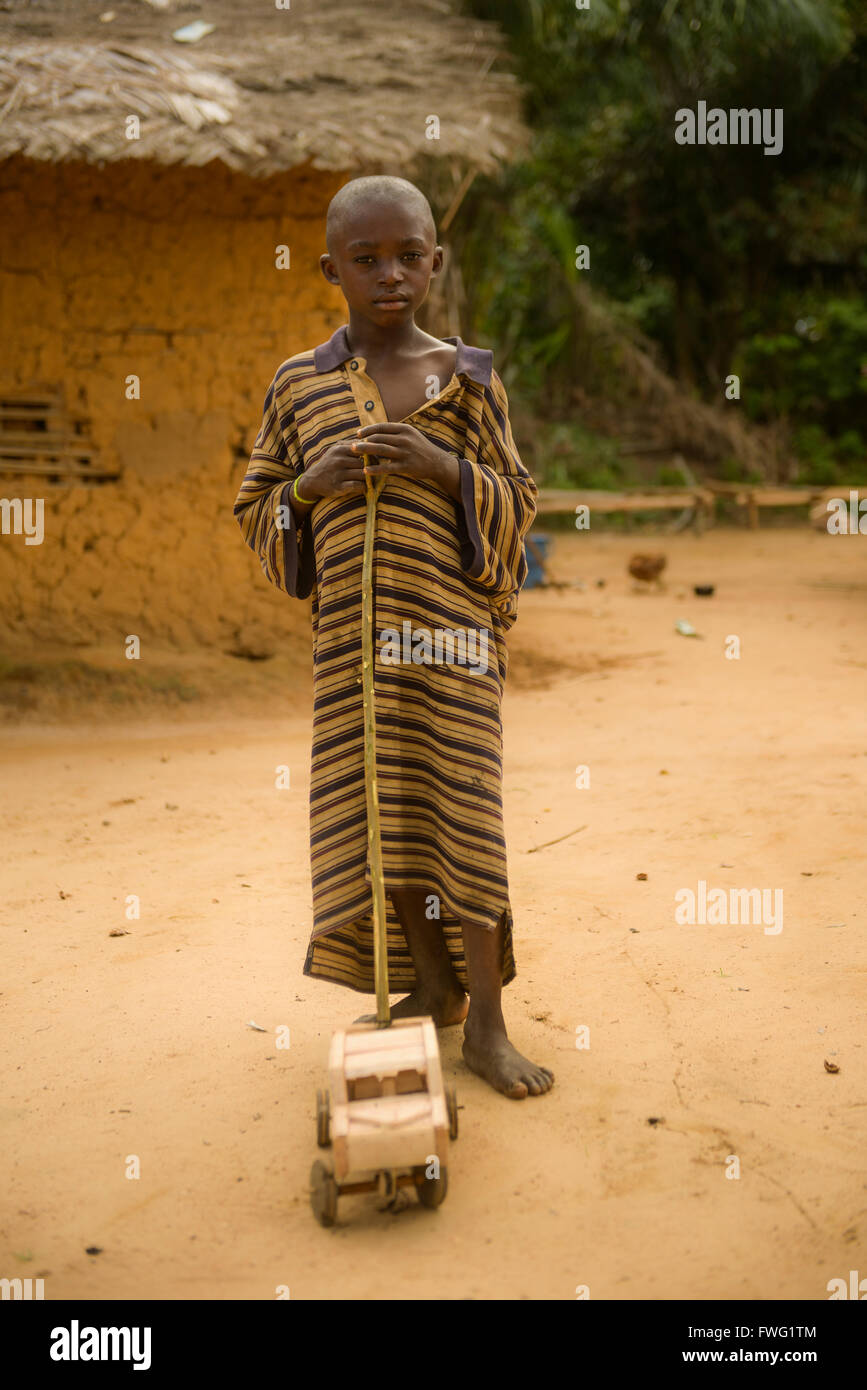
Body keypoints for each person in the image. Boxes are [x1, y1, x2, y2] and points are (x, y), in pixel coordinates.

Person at [234, 175, 553, 1099]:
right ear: (330, 267)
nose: (390, 275)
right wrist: (308, 484)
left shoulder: (469, 379)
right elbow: (257, 503)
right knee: (387, 815)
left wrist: (444, 465)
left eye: (409, 256)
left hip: (452, 648)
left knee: (465, 819)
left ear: (435, 262)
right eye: (366, 259)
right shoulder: (298, 386)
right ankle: (434, 986)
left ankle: (488, 1023)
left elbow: (518, 504)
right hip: (351, 655)